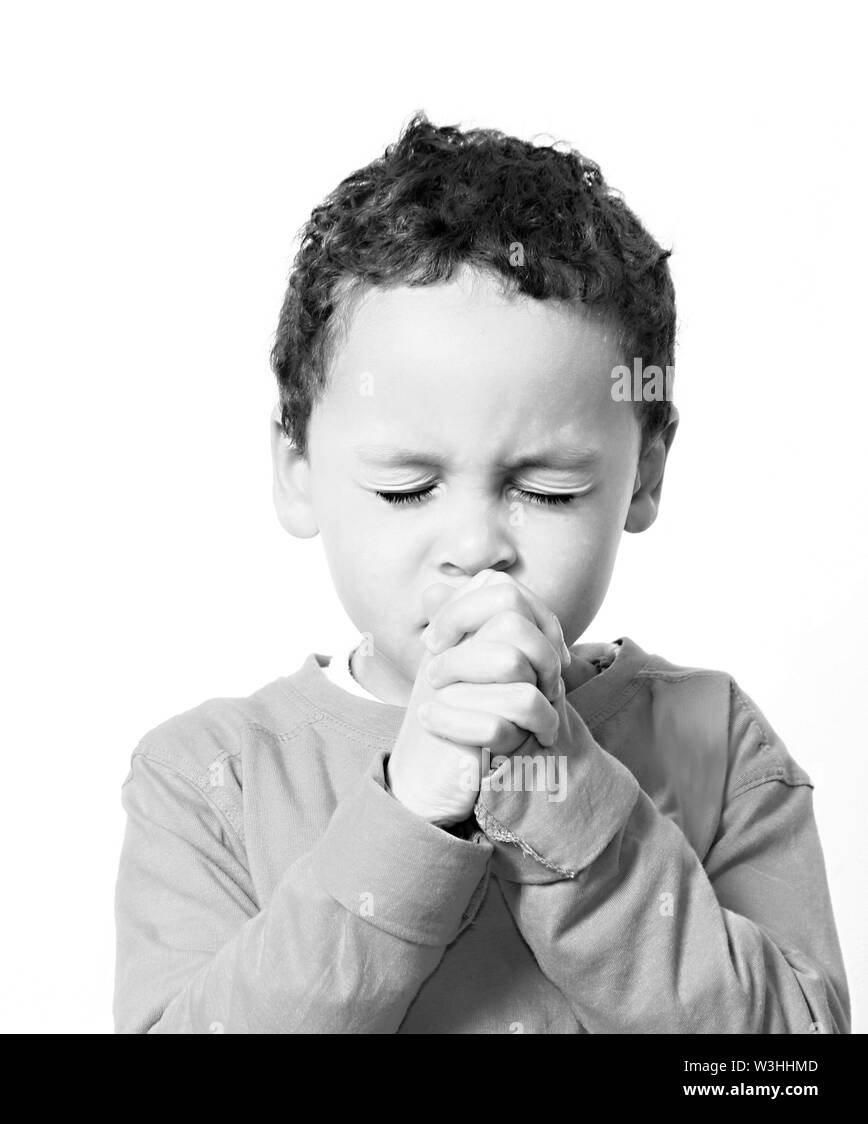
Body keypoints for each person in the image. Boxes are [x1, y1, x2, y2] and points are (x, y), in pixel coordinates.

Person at [111, 111, 850, 1033]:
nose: (476, 548)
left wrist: (568, 800)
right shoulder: (213, 778)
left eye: (546, 490)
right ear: (296, 467)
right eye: (406, 488)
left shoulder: (709, 742)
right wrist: (406, 818)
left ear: (643, 474)